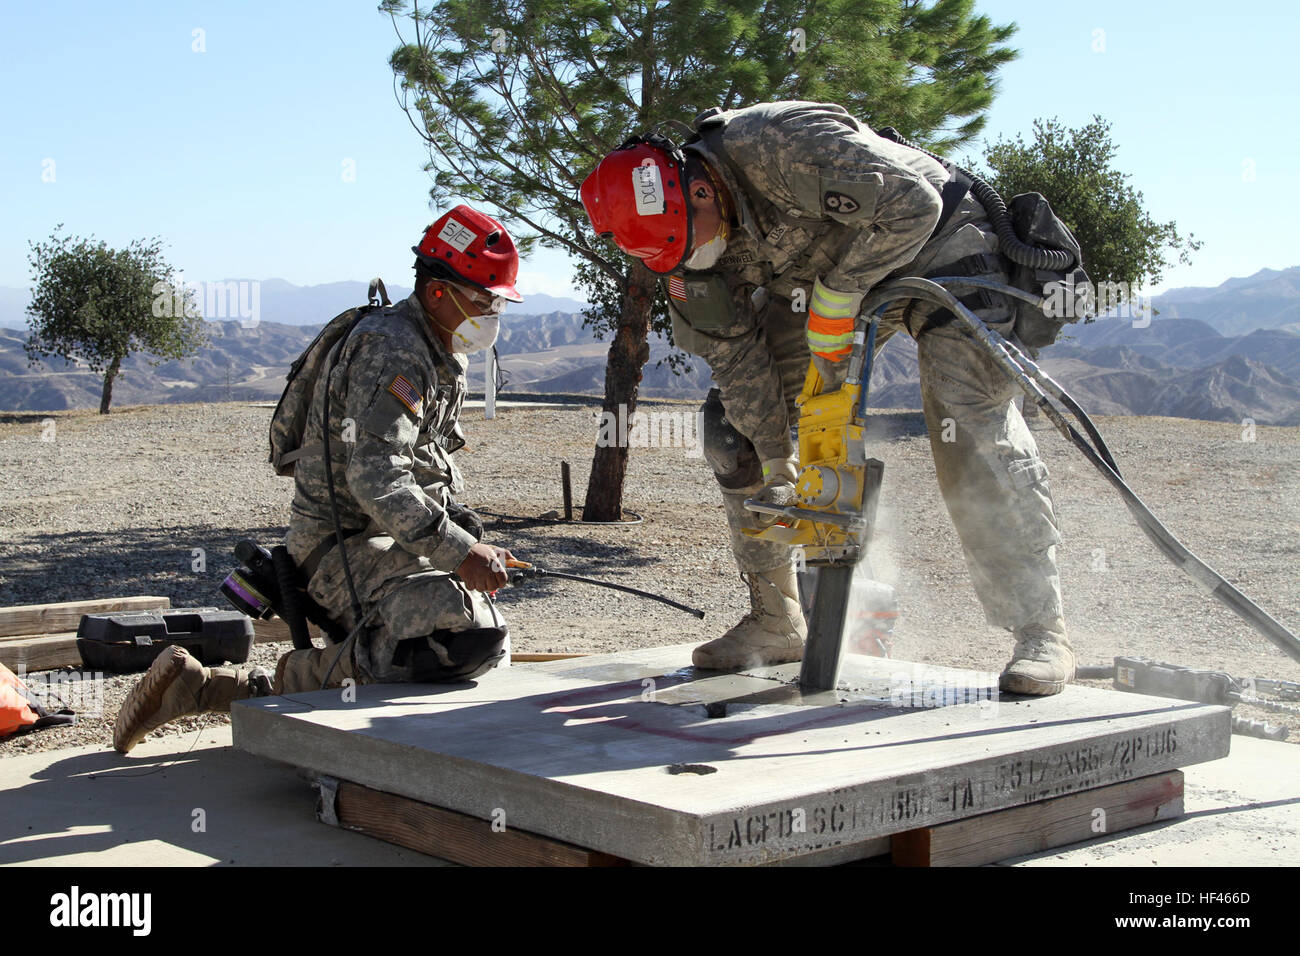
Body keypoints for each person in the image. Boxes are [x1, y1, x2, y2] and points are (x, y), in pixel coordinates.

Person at [580, 101, 1072, 695]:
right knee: (729, 430)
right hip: (819, 286)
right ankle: (775, 619)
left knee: (967, 417)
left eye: (688, 245)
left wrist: (839, 294)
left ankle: (1041, 631)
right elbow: (738, 360)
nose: (688, 262)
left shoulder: (777, 144)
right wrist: (775, 461)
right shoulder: (685, 252)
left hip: (941, 245)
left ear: (701, 192)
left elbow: (914, 205)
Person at [115, 206, 525, 753]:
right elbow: (374, 474)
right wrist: (457, 550)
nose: (492, 311)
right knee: (461, 632)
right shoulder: (396, 349)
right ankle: (223, 689)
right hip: (339, 549)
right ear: (436, 293)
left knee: (482, 636)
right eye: (483, 299)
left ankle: (222, 687)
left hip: (380, 541)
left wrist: (466, 543)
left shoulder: (434, 346)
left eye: (497, 300)